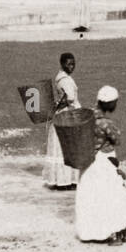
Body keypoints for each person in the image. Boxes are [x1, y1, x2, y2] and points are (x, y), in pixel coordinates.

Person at [75, 86, 126, 244]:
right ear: (109, 104)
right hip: (105, 160)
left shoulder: (87, 117)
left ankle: (95, 231)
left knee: (92, 195)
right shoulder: (106, 123)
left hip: (89, 162)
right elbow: (117, 139)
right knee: (113, 194)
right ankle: (116, 232)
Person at [45, 52, 82, 190]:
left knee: (63, 148)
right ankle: (66, 181)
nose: (72, 66)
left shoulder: (61, 77)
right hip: (68, 116)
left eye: (73, 63)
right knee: (67, 148)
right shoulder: (64, 79)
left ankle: (65, 180)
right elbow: (70, 98)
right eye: (69, 63)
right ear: (62, 64)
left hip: (64, 115)